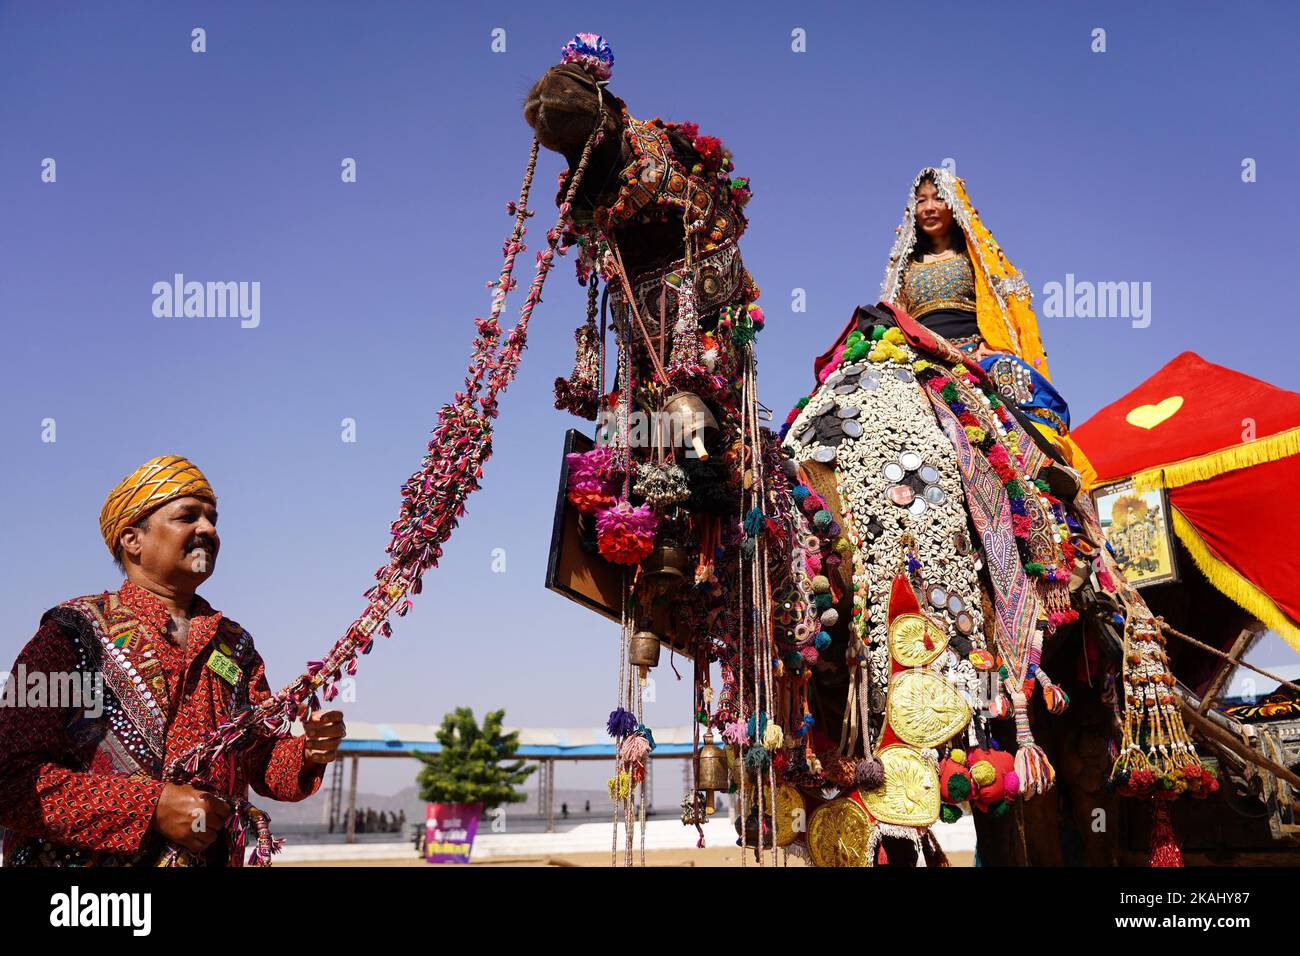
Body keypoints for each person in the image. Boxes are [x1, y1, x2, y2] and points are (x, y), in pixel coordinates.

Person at [0, 455, 346, 866]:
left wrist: (310, 751)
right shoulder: (72, 633)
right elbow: (10, 777)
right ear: (133, 540)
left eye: (213, 519)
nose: (209, 530)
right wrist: (152, 807)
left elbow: (261, 763)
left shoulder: (235, 646)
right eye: (188, 516)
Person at [877, 167, 1097, 487]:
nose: (929, 207)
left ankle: (1048, 464)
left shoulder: (976, 258)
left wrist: (993, 344)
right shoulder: (905, 269)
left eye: (938, 198)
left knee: (1009, 373)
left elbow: (1004, 308)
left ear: (954, 205)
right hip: (922, 355)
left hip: (974, 353)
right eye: (921, 200)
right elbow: (896, 318)